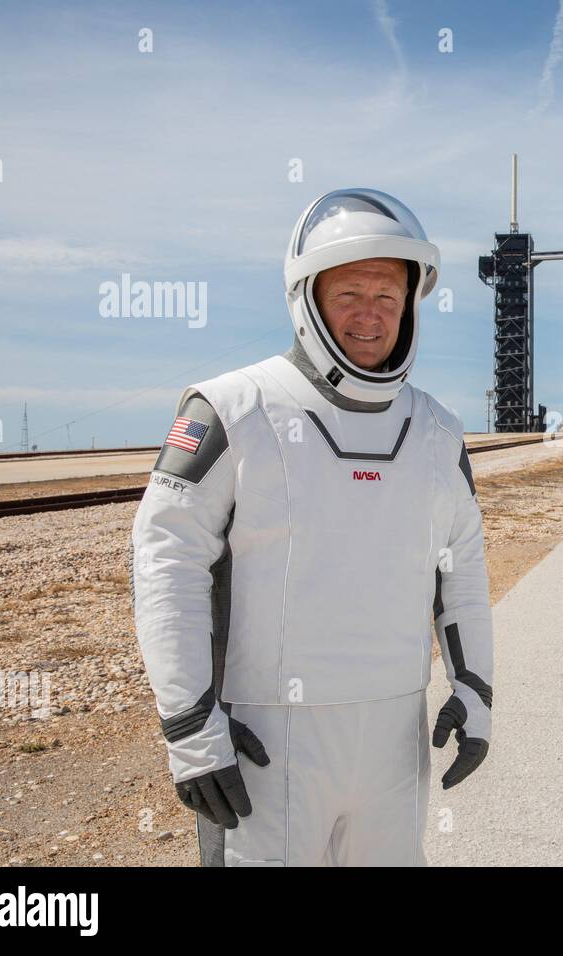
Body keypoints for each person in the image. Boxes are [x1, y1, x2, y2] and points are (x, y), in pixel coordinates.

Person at [131, 188, 493, 866]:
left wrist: (475, 693)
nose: (370, 315)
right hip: (264, 740)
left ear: (412, 305)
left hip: (394, 738)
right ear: (305, 299)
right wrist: (189, 728)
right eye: (349, 293)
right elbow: (166, 563)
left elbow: (463, 575)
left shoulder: (439, 433)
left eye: (388, 296)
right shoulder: (231, 409)